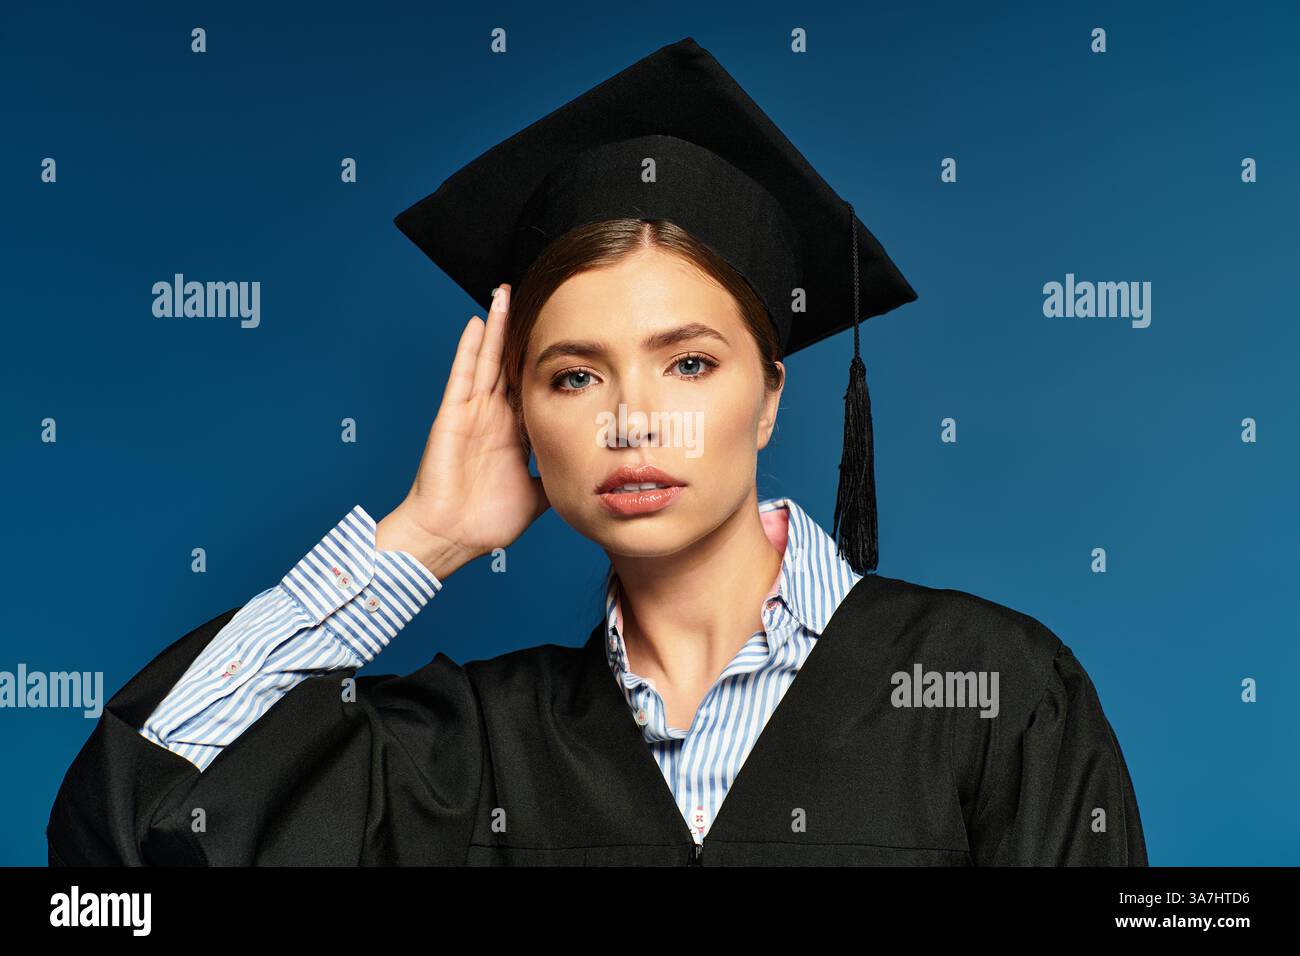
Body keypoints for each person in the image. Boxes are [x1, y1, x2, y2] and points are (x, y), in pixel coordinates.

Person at [46, 37, 1147, 866]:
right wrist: (420, 541)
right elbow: (134, 824)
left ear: (771, 393)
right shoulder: (469, 747)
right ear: (519, 411)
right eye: (573, 375)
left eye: (689, 363)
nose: (633, 418)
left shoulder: (986, 689)